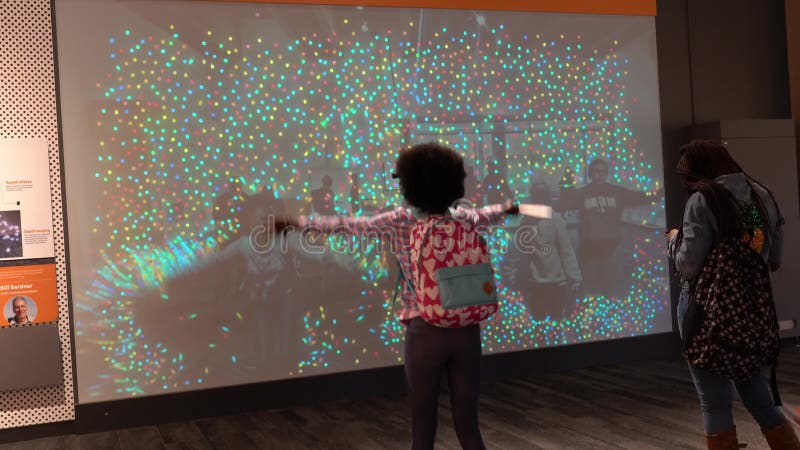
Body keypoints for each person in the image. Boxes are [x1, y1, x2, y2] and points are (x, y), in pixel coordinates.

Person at [277, 143, 518, 450]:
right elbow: (491, 214)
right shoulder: (462, 217)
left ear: (410, 185)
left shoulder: (399, 221)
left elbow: (349, 226)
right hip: (467, 329)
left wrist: (298, 223)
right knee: (468, 426)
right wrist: (513, 207)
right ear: (454, 182)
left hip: (424, 330)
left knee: (422, 425)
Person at [667, 140, 798, 449]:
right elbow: (775, 258)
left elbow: (688, 265)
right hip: (753, 305)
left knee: (713, 401)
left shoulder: (702, 200)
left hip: (703, 306)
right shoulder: (761, 193)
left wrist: (674, 240)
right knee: (753, 386)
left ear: (698, 171)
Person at [559, 158, 657, 297]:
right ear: (590, 174)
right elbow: (561, 205)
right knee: (590, 288)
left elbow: (640, 197)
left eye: (602, 171)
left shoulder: (616, 192)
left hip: (611, 250)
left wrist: (660, 193)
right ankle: (591, 313)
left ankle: (608, 309)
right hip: (588, 250)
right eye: (596, 171)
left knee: (610, 287)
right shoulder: (582, 194)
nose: (599, 174)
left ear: (606, 173)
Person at [509, 182, 582, 320]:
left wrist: (575, 277)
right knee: (539, 320)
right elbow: (518, 251)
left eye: (543, 196)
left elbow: (566, 250)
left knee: (555, 319)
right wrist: (512, 273)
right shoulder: (526, 221)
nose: (540, 200)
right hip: (535, 283)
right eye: (538, 196)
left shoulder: (555, 219)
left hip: (557, 283)